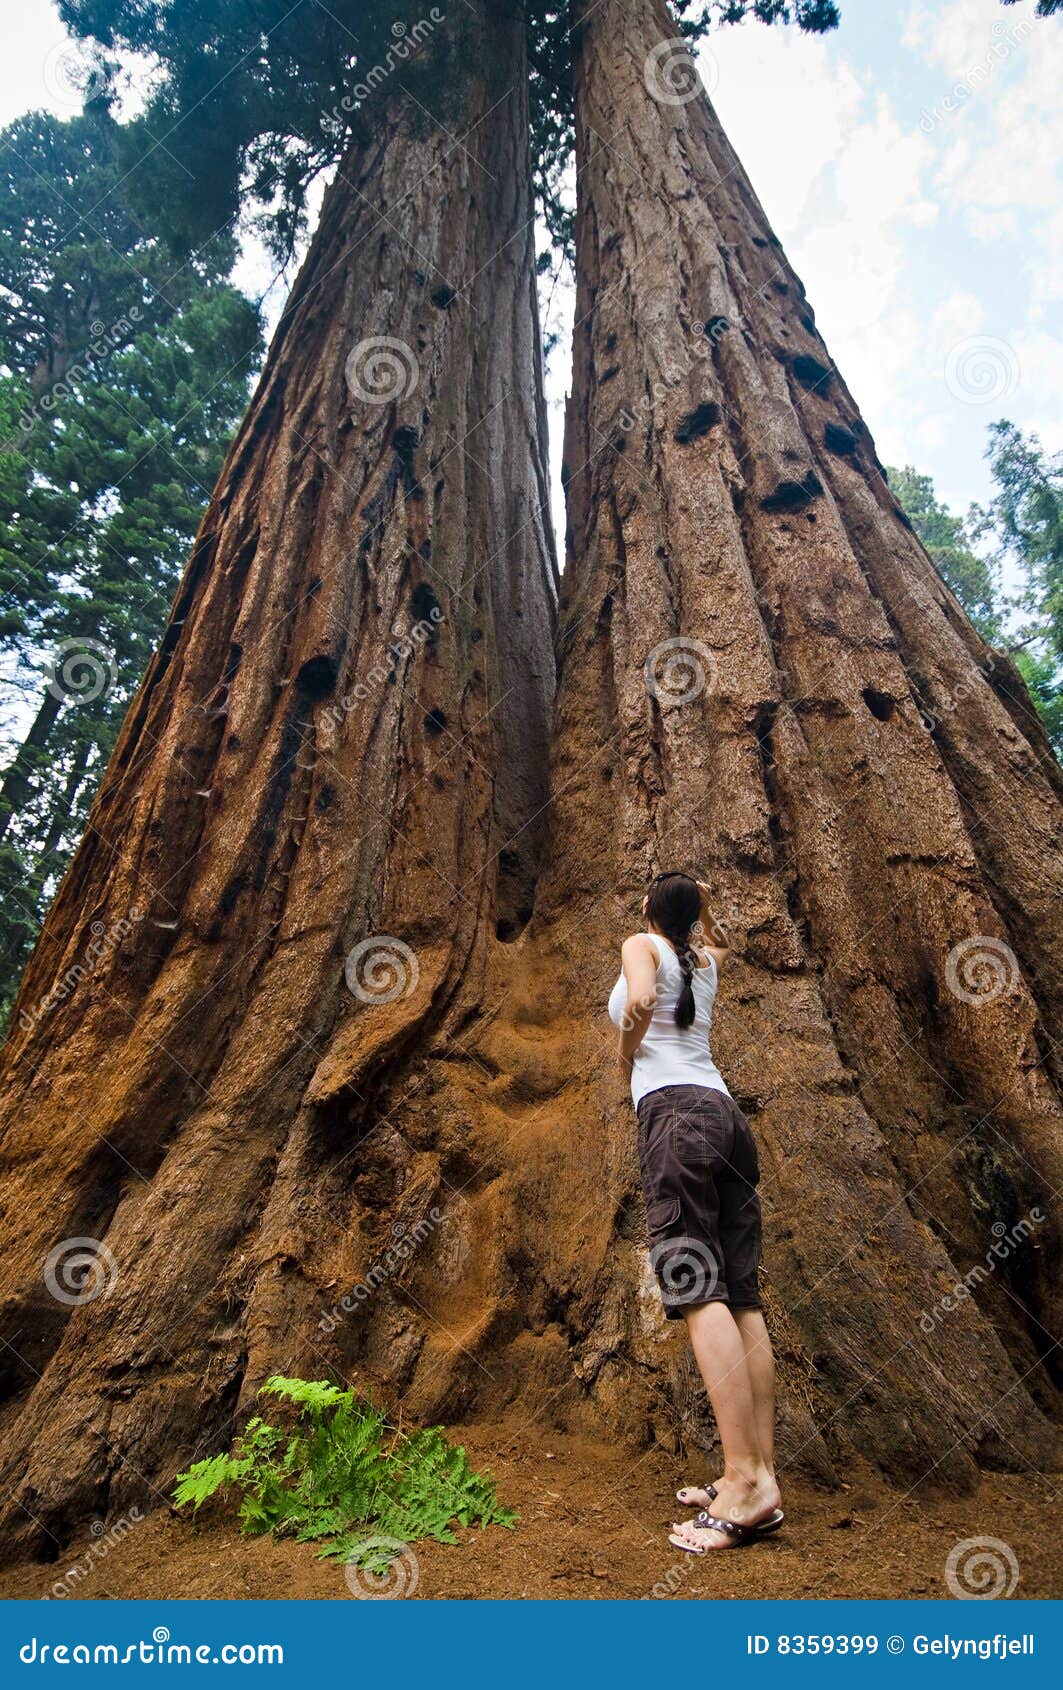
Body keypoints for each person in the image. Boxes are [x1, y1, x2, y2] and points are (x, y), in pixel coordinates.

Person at [607, 871, 782, 1552]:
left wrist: (626, 1057)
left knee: (694, 1286)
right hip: (725, 1118)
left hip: (674, 1116)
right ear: (696, 918)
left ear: (648, 910)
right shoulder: (706, 960)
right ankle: (759, 1474)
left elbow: (641, 999)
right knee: (740, 1293)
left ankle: (742, 1483)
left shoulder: (641, 945)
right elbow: (713, 939)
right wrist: (700, 903)